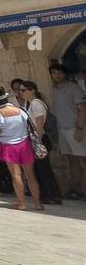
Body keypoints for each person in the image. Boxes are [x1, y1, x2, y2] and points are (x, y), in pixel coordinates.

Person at [0, 86, 41, 212]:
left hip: (8, 145)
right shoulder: (20, 110)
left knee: (16, 175)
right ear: (7, 97)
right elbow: (32, 126)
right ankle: (37, 204)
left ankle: (22, 203)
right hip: (24, 144)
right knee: (31, 175)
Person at [18, 80, 62, 205]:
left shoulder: (36, 104)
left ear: (32, 90)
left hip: (40, 139)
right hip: (38, 139)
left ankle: (52, 195)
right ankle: (47, 195)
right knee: (40, 168)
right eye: (20, 90)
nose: (21, 93)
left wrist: (37, 141)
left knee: (43, 168)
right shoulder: (31, 103)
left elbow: (40, 123)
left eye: (23, 90)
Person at [49, 63, 86, 199]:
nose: (56, 75)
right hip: (63, 130)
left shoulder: (74, 88)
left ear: (64, 73)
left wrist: (80, 128)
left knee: (83, 159)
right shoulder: (54, 90)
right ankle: (76, 190)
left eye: (59, 72)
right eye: (54, 73)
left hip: (75, 129)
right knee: (71, 161)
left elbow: (82, 109)